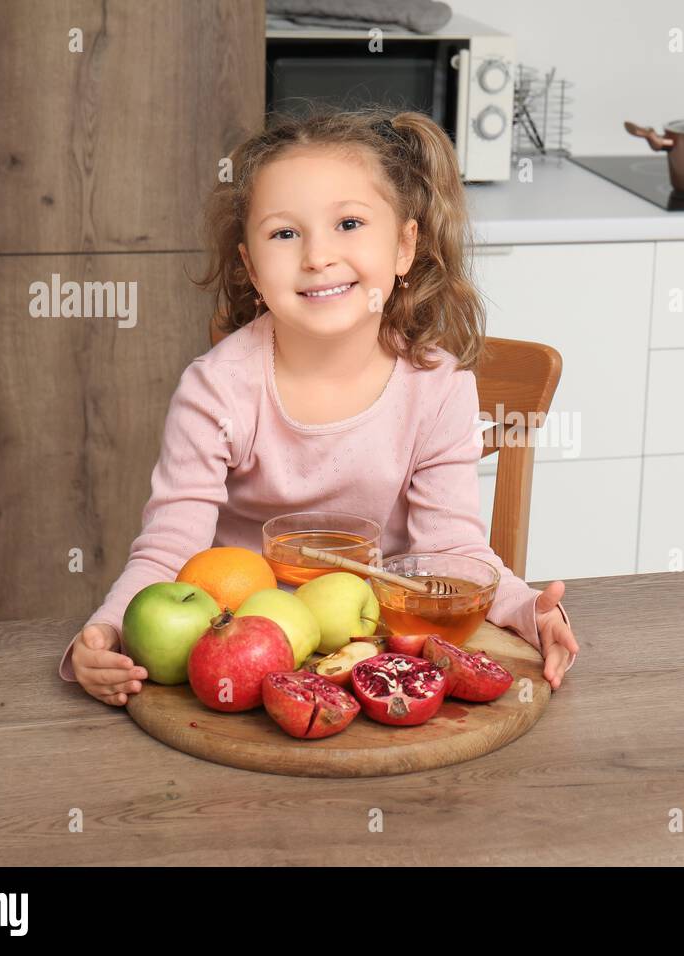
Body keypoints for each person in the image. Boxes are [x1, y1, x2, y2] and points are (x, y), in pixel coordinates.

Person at [60, 107, 579, 706]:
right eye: (285, 233)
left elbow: (453, 551)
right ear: (252, 266)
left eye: (350, 223)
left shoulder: (439, 387)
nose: (317, 256)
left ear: (405, 246)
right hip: (238, 655)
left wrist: (526, 609)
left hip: (377, 651)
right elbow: (168, 548)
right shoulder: (216, 389)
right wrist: (106, 629)